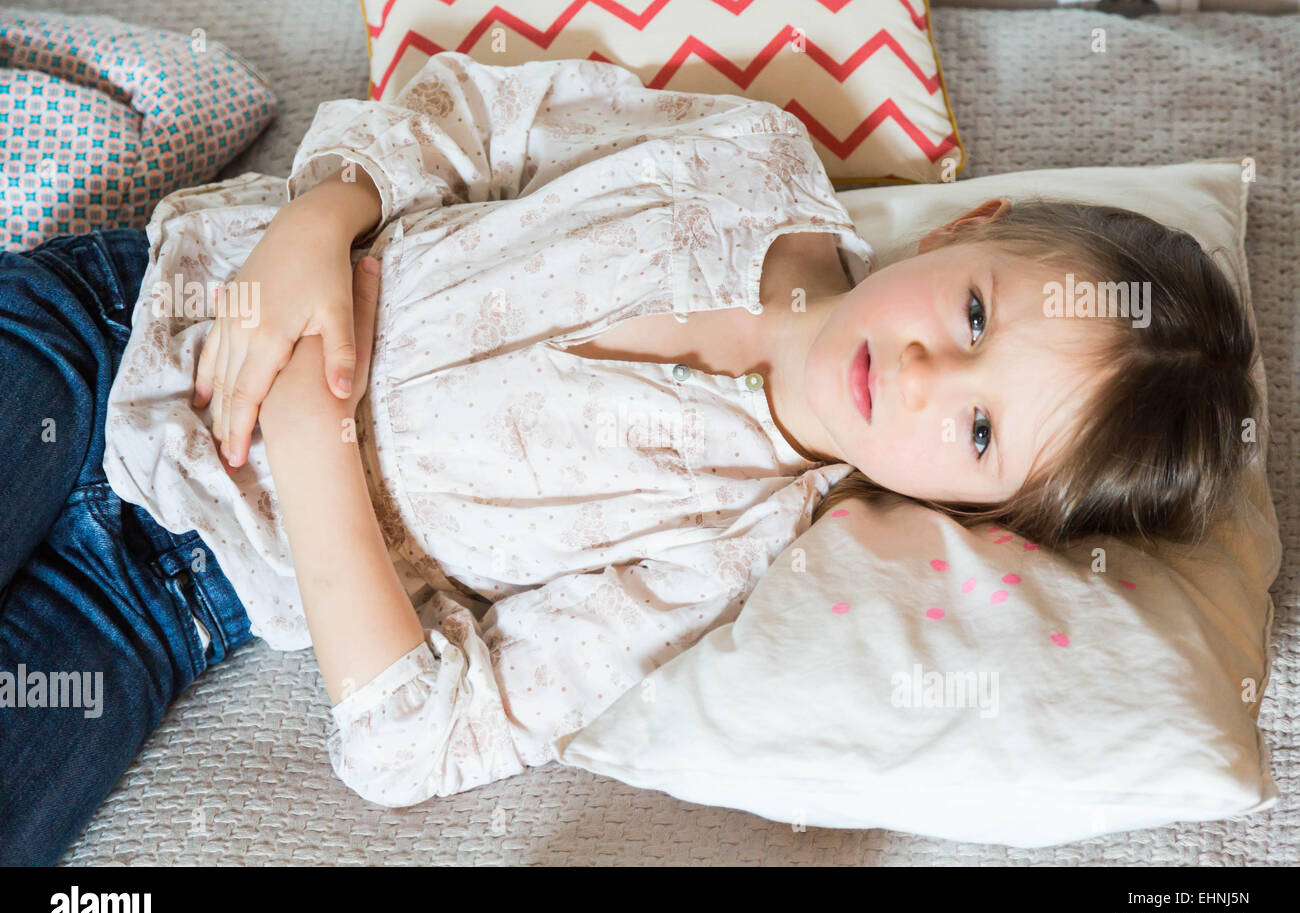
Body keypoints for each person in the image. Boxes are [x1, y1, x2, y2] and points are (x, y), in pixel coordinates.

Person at [0, 52, 1258, 858]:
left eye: (978, 432)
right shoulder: (741, 154)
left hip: (160, 593)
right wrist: (313, 229)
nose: (929, 373)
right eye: (976, 314)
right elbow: (459, 122)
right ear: (970, 225)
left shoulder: (722, 551)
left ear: (978, 509)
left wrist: (310, 433)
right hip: (128, 318)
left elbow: (418, 740)